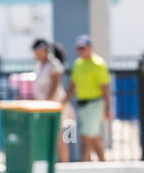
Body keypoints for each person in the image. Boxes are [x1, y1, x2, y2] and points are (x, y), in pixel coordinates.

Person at [63, 34, 111, 162]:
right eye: (79, 48)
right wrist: (64, 101)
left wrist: (107, 108)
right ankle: (102, 163)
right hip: (82, 104)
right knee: (94, 137)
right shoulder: (78, 64)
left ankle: (85, 163)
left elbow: (105, 88)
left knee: (86, 136)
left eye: (83, 48)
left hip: (95, 103)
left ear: (90, 48)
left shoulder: (98, 64)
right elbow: (73, 85)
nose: (81, 51)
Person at [32, 38, 74, 163]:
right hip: (44, 105)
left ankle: (65, 164)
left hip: (55, 105)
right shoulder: (39, 66)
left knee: (60, 137)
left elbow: (55, 86)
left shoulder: (54, 64)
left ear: (44, 50)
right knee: (48, 136)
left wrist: (48, 103)